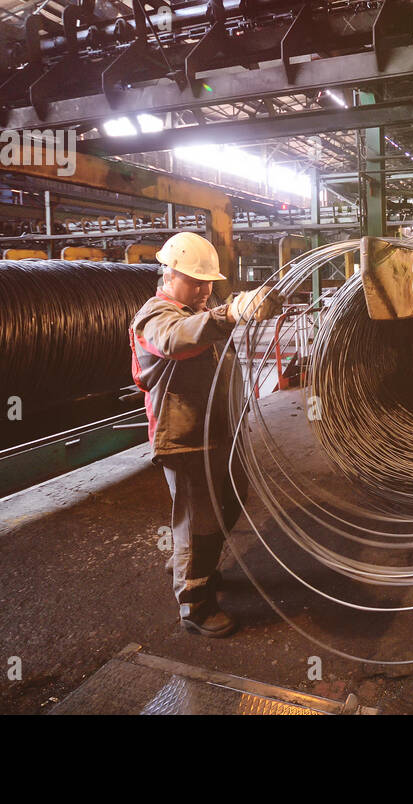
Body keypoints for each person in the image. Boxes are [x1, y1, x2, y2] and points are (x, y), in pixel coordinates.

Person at [128, 231, 282, 637]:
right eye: (197, 281)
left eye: (209, 282)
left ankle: (193, 559)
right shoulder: (155, 317)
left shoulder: (199, 309)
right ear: (171, 273)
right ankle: (194, 604)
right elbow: (178, 339)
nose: (206, 289)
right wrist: (228, 314)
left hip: (220, 432)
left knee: (230, 503)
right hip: (188, 438)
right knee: (200, 521)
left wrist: (249, 308)